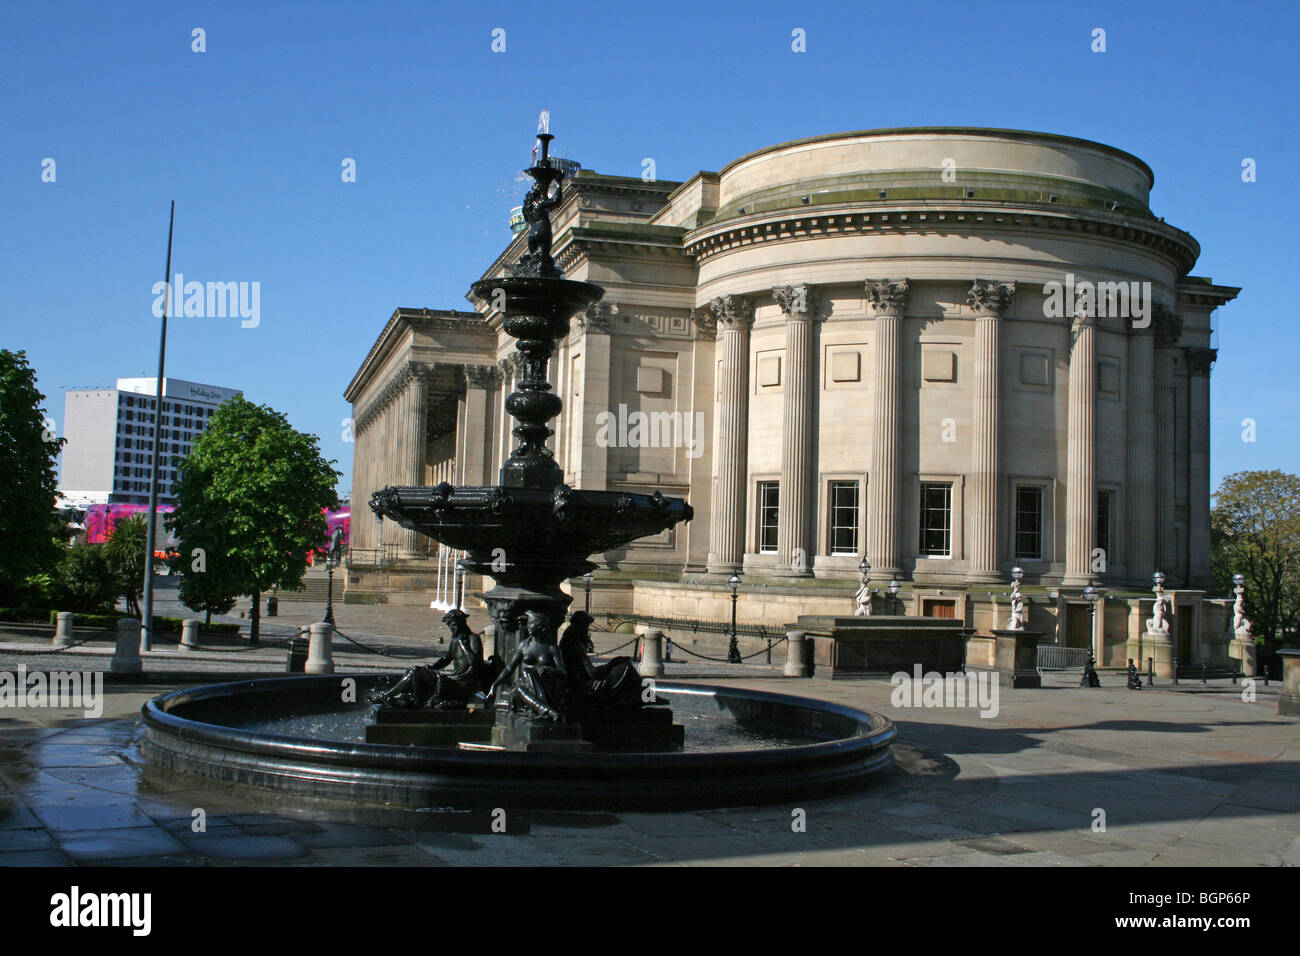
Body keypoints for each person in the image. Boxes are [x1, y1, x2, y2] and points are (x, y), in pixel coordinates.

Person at [372, 608, 484, 710]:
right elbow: (445, 659)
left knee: (416, 671)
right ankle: (397, 697)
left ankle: (388, 696)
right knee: (414, 671)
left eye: (455, 625)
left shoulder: (472, 638)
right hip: (452, 679)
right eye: (450, 625)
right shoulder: (455, 641)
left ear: (462, 623)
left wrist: (463, 645)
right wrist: (432, 667)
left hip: (460, 684)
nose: (453, 628)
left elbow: (474, 661)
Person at [485, 610, 576, 722]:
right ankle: (549, 711)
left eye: (531, 623)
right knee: (522, 680)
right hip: (528, 686)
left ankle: (545, 710)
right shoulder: (524, 645)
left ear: (540, 626)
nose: (528, 626)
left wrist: (548, 670)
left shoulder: (552, 647)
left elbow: (562, 671)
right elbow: (509, 668)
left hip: (545, 686)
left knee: (523, 679)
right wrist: (495, 684)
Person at [558, 611, 644, 708]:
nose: (588, 631)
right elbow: (593, 673)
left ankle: (641, 696)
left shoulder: (570, 641)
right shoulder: (576, 646)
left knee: (622, 663)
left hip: (579, 685)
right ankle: (645, 696)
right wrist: (612, 664)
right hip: (587, 688)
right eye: (587, 627)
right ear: (581, 627)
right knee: (625, 666)